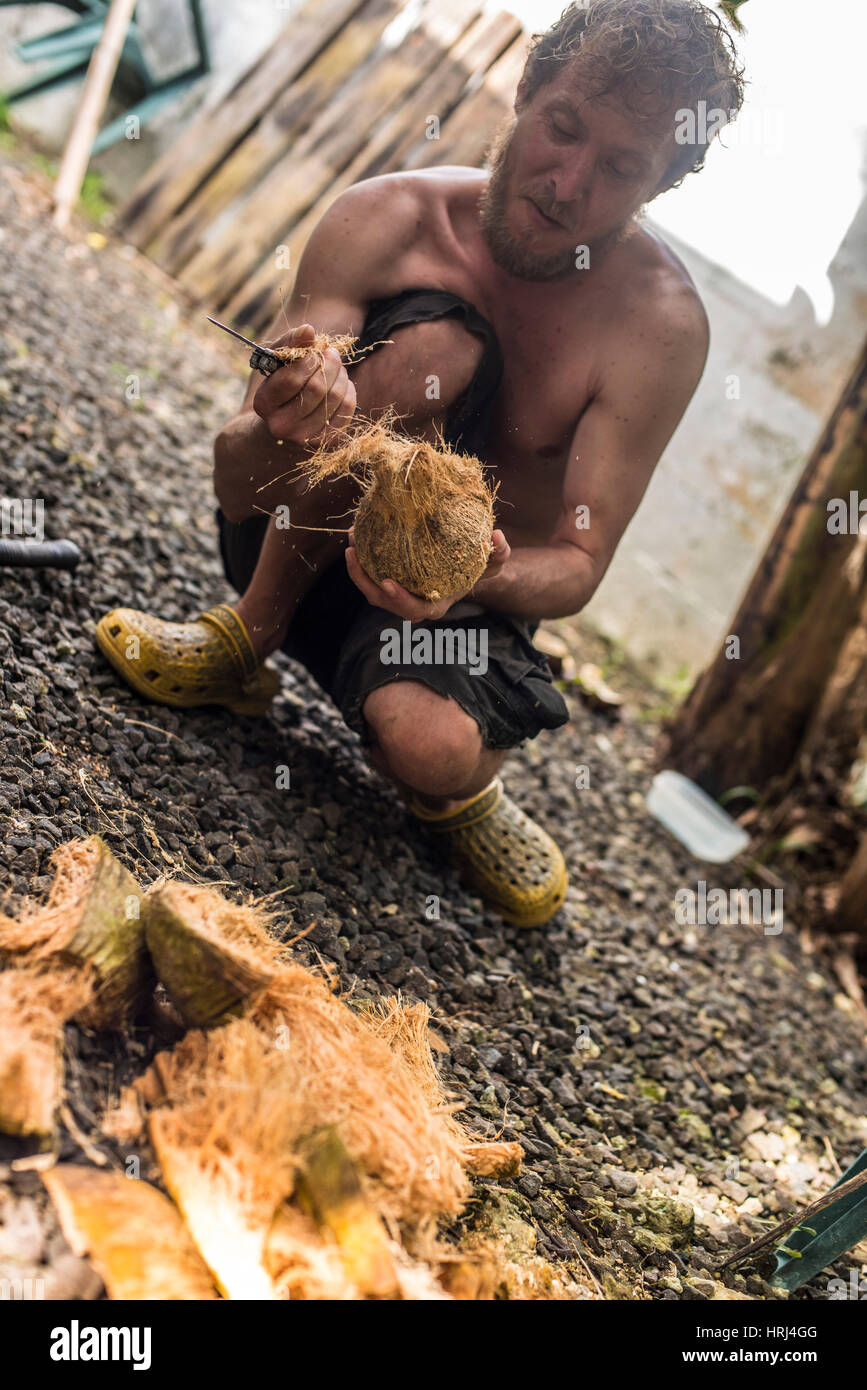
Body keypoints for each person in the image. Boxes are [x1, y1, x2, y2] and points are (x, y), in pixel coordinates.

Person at [97, 0, 744, 928]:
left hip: (456, 614)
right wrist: (297, 403)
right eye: (562, 129)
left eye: (618, 169)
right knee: (434, 352)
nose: (567, 184)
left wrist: (483, 572)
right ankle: (246, 638)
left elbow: (579, 562)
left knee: (429, 746)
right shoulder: (384, 217)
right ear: (527, 88)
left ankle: (460, 796)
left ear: (664, 182)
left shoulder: (659, 330)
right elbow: (247, 461)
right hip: (297, 536)